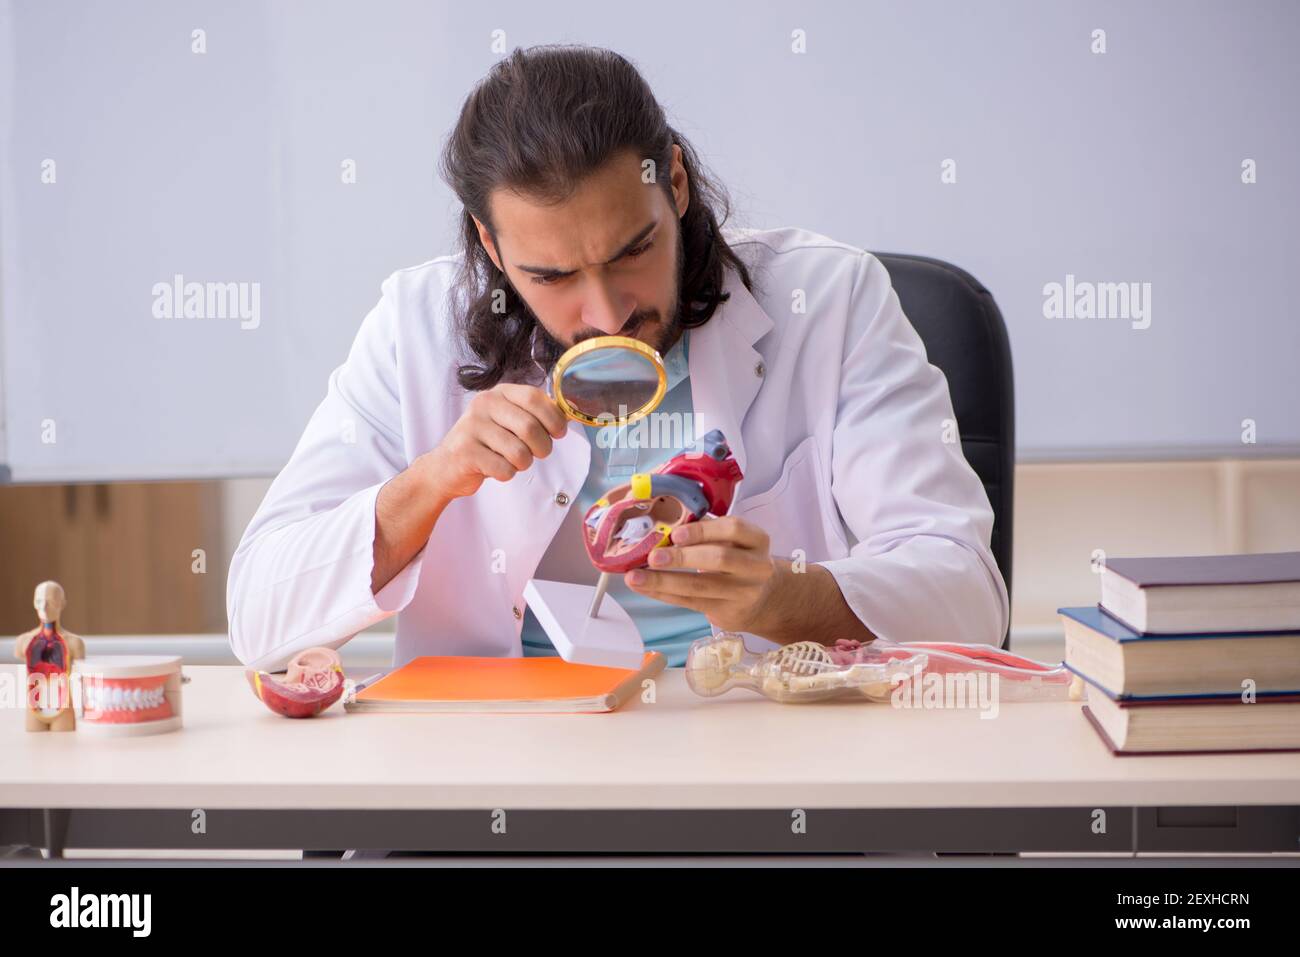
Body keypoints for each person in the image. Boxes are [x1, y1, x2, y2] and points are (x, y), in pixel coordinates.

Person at [227, 44, 1008, 671]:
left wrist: (778, 597)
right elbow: (258, 616)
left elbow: (968, 595)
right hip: (496, 776)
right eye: (553, 276)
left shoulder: (829, 302)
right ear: (492, 247)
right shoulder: (415, 328)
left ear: (674, 182)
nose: (606, 314)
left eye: (633, 250)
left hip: (762, 768)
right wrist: (432, 482)